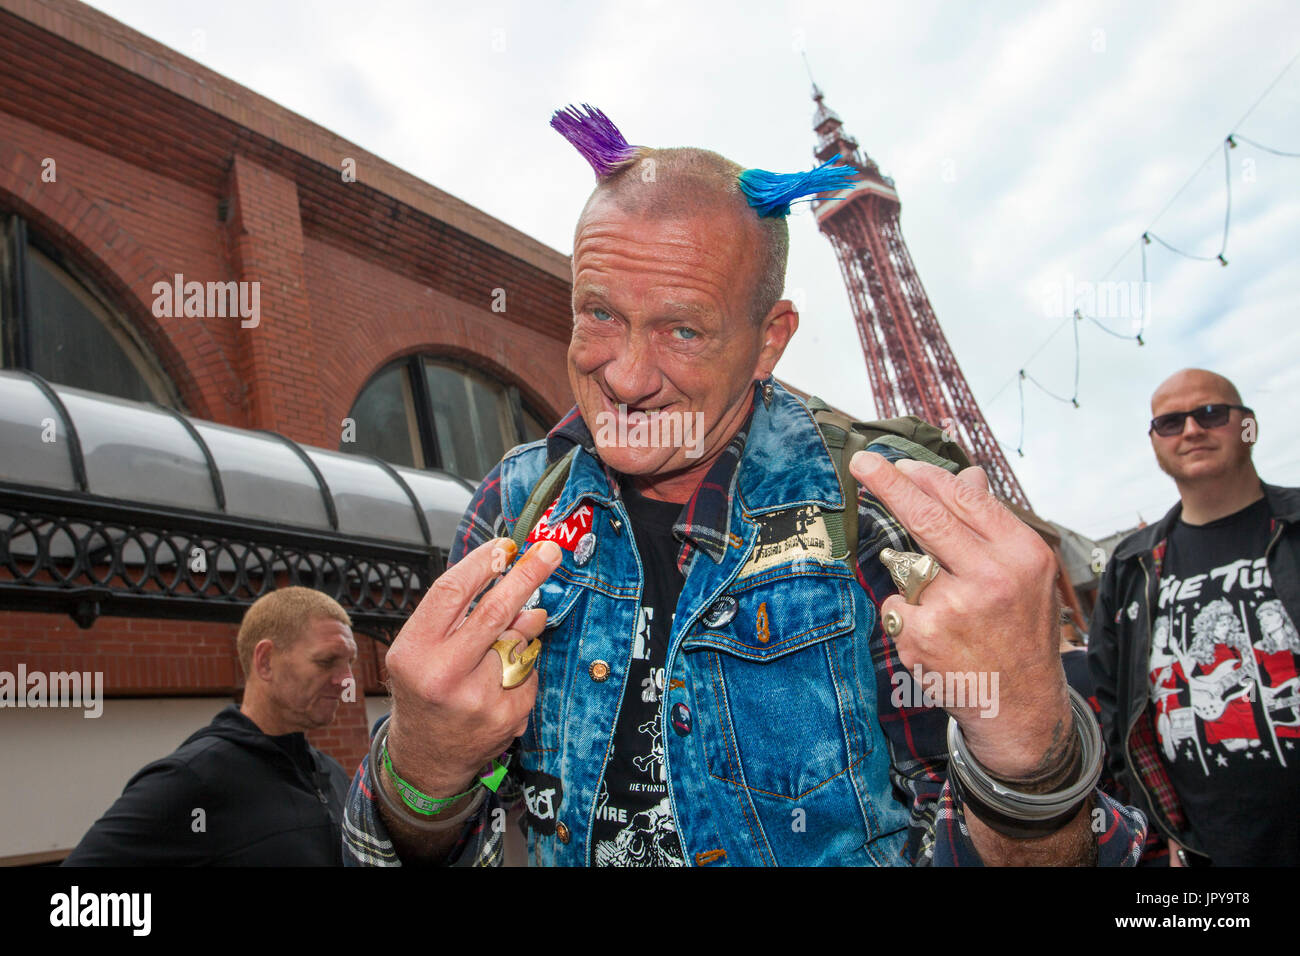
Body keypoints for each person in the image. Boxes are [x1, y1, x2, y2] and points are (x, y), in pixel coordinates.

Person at [343, 105, 1145, 867]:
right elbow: (458, 817)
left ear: (770, 341)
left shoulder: (880, 515)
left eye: (683, 329)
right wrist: (425, 772)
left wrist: (1030, 760)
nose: (621, 377)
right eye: (599, 315)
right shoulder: (514, 505)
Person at [1088, 369, 1300, 866]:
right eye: (1169, 422)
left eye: (1210, 413)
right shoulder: (1130, 566)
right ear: (1155, 443)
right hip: (1215, 848)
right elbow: (1116, 706)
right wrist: (1162, 829)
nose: (1191, 430)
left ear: (1247, 426)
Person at [64, 587, 357, 865]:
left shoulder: (331, 773)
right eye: (327, 661)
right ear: (266, 661)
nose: (347, 681)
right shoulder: (195, 777)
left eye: (350, 663)